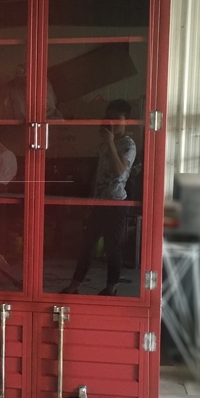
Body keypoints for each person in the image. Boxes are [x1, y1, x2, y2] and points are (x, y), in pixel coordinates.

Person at [60, 99, 136, 296]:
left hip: (116, 203)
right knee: (86, 246)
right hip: (99, 202)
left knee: (113, 248)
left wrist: (110, 143)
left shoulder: (128, 144)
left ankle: (111, 288)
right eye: (108, 118)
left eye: (117, 119)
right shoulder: (104, 145)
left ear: (126, 121)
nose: (112, 122)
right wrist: (90, 201)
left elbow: (119, 171)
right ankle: (74, 286)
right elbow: (98, 175)